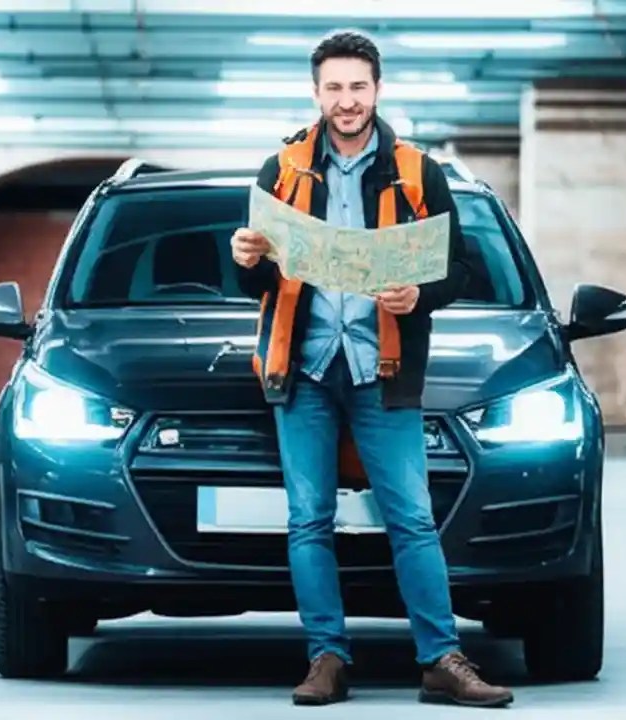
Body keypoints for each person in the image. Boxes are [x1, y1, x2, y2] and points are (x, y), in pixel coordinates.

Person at [229, 30, 515, 708]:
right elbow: (258, 284)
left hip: (382, 368)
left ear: (377, 90)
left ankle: (441, 659)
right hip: (302, 371)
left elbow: (462, 269)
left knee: (412, 518)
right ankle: (326, 657)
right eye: (334, 87)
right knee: (308, 520)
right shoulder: (283, 169)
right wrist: (243, 259)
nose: (346, 100)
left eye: (358, 87)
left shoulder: (418, 172)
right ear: (317, 92)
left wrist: (419, 293)